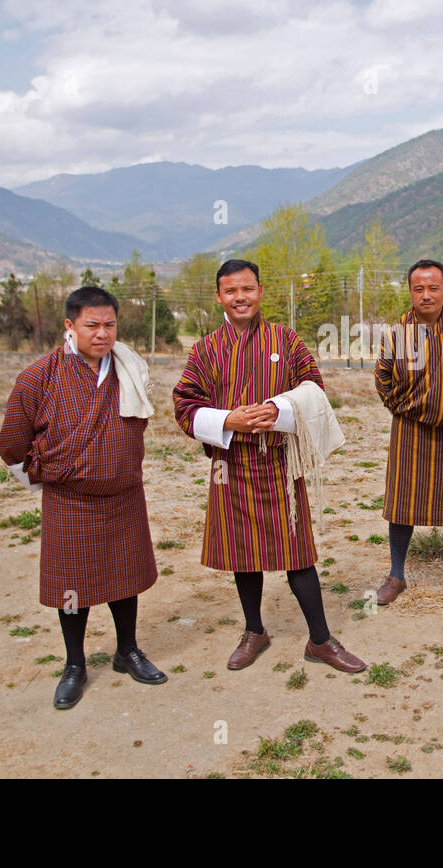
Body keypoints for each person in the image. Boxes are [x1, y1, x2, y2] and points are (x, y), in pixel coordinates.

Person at [171, 259, 366, 674]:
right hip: (230, 465)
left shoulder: (287, 340)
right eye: (230, 291)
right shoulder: (205, 349)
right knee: (244, 556)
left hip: (279, 463)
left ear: (260, 291)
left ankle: (320, 639)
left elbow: (314, 390)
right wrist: (230, 420)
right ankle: (254, 630)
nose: (239, 297)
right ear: (219, 296)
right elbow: (184, 406)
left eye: (247, 289)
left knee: (298, 555)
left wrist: (276, 410)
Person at [0, 286, 166, 711]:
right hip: (71, 500)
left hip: (124, 493)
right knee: (73, 586)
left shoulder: (128, 369)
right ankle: (75, 665)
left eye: (110, 324)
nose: (103, 333)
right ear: (70, 327)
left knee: (125, 578)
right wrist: (49, 474)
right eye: (92, 325)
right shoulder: (40, 376)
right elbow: (12, 444)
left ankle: (127, 651)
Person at [373, 259, 443, 604]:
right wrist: (406, 409)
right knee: (402, 502)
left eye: (433, 287)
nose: (426, 295)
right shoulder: (396, 334)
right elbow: (382, 380)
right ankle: (396, 575)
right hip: (410, 433)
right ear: (410, 292)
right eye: (418, 288)